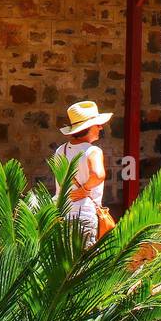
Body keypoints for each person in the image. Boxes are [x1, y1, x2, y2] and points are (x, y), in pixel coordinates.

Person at [55, 100, 112, 246]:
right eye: (97, 125)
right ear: (88, 128)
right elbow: (98, 175)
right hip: (84, 215)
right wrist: (85, 189)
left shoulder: (61, 150)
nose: (100, 127)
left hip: (61, 214)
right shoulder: (92, 151)